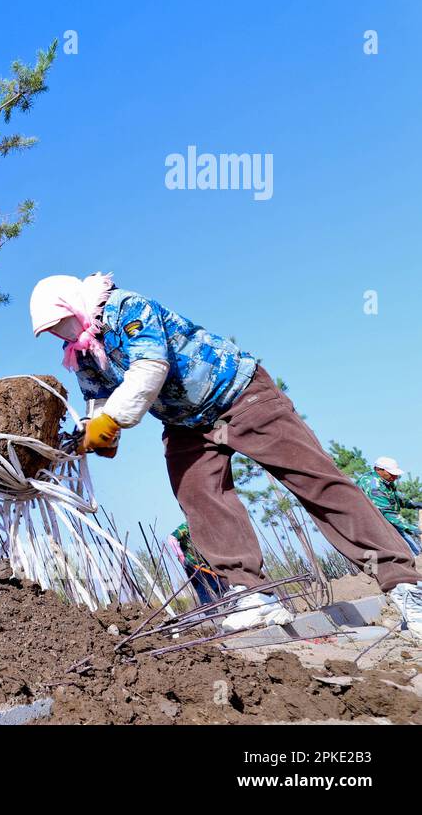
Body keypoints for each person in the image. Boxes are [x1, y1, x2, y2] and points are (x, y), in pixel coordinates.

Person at [29, 272, 422, 639]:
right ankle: (251, 593)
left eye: (58, 323)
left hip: (240, 395)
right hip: (186, 424)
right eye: (50, 332)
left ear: (74, 304)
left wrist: (116, 418)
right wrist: (92, 433)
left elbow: (151, 367)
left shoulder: (127, 308)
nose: (58, 334)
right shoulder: (79, 352)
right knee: (201, 499)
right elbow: (97, 400)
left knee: (316, 483)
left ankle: (402, 582)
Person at [355, 457, 422, 557]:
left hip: (386, 521)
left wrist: (413, 504)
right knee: (403, 551)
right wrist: (415, 530)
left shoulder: (385, 480)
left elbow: (395, 497)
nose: (395, 476)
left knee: (411, 548)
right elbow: (387, 513)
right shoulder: (374, 485)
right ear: (379, 470)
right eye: (391, 473)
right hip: (373, 525)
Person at [169, 521, 226, 606]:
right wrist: (181, 557)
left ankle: (225, 601)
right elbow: (171, 539)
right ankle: (209, 610)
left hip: (204, 562)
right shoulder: (186, 527)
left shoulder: (207, 528)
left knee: (215, 582)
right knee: (200, 587)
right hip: (190, 563)